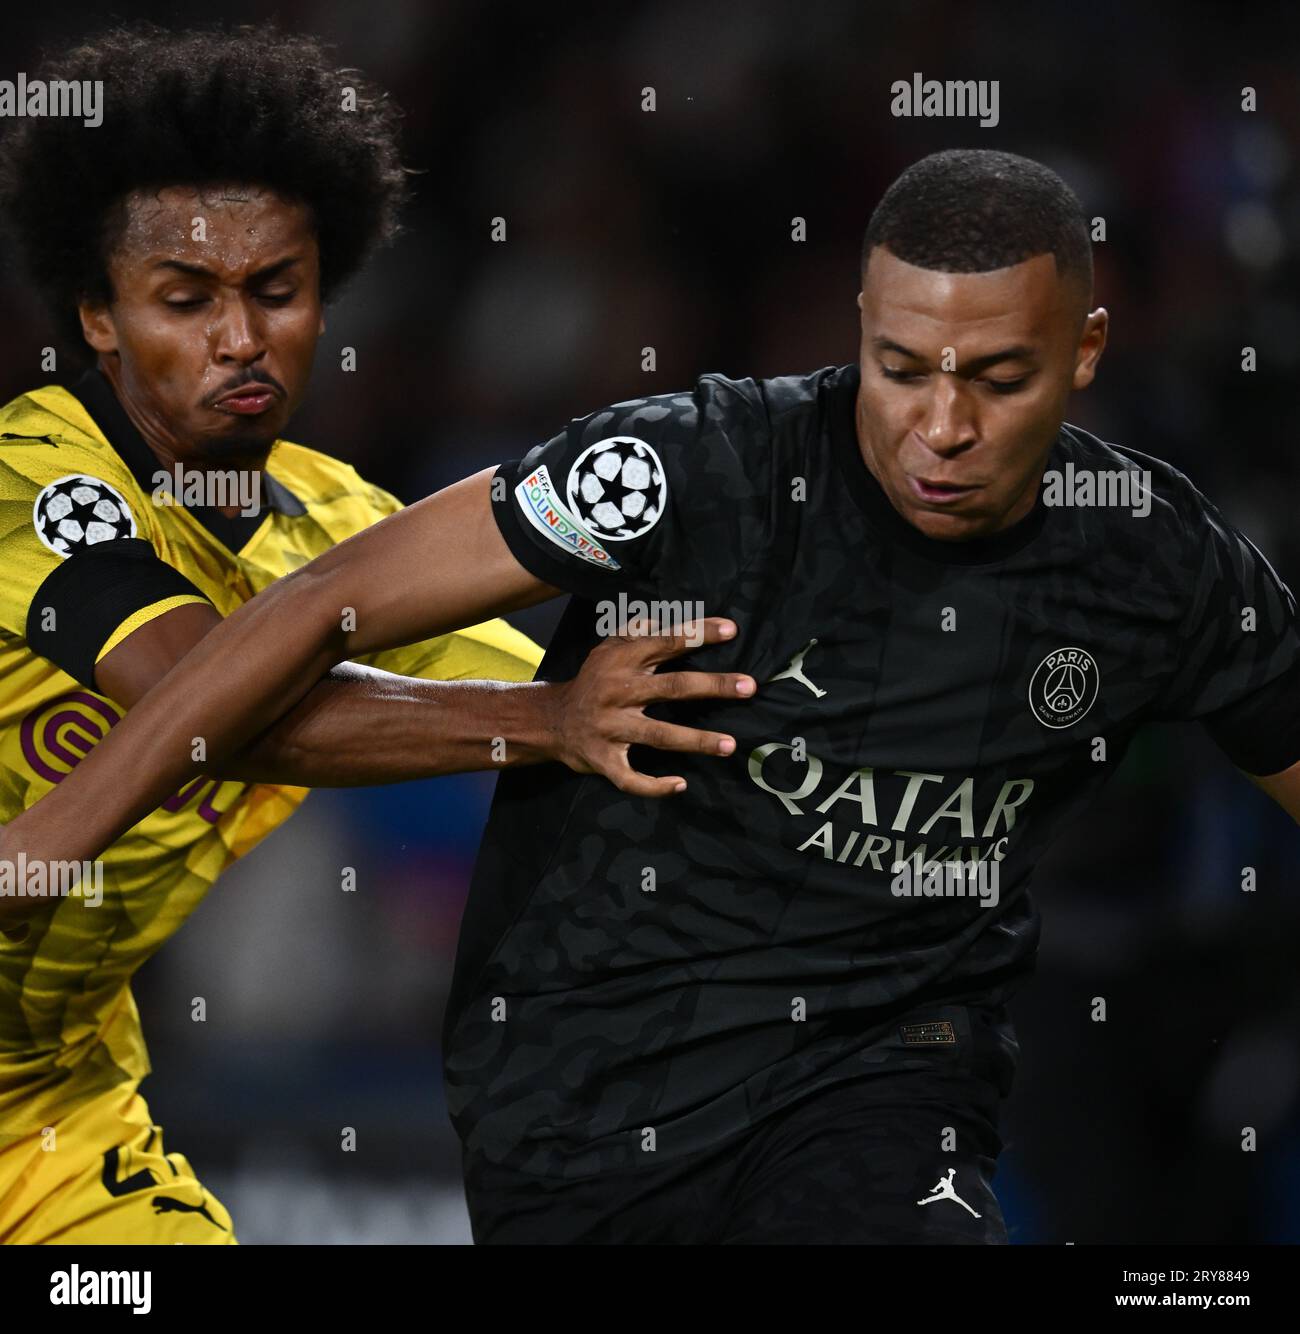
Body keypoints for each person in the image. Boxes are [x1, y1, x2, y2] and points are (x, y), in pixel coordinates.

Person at [5, 147, 1299, 1244]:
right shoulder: (684, 467)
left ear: (1083, 351)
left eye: (998, 378)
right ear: (858, 324)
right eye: (903, 367)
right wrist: (46, 844)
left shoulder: (1154, 560)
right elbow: (303, 614)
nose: (941, 426)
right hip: (583, 1086)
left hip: (885, 1069)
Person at [0, 24, 747, 1244]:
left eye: (276, 292)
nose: (240, 339)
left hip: (47, 1112)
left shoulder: (344, 525)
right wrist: (541, 722)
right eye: (183, 300)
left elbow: (598, 699)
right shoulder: (35, 474)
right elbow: (204, 693)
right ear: (97, 314)